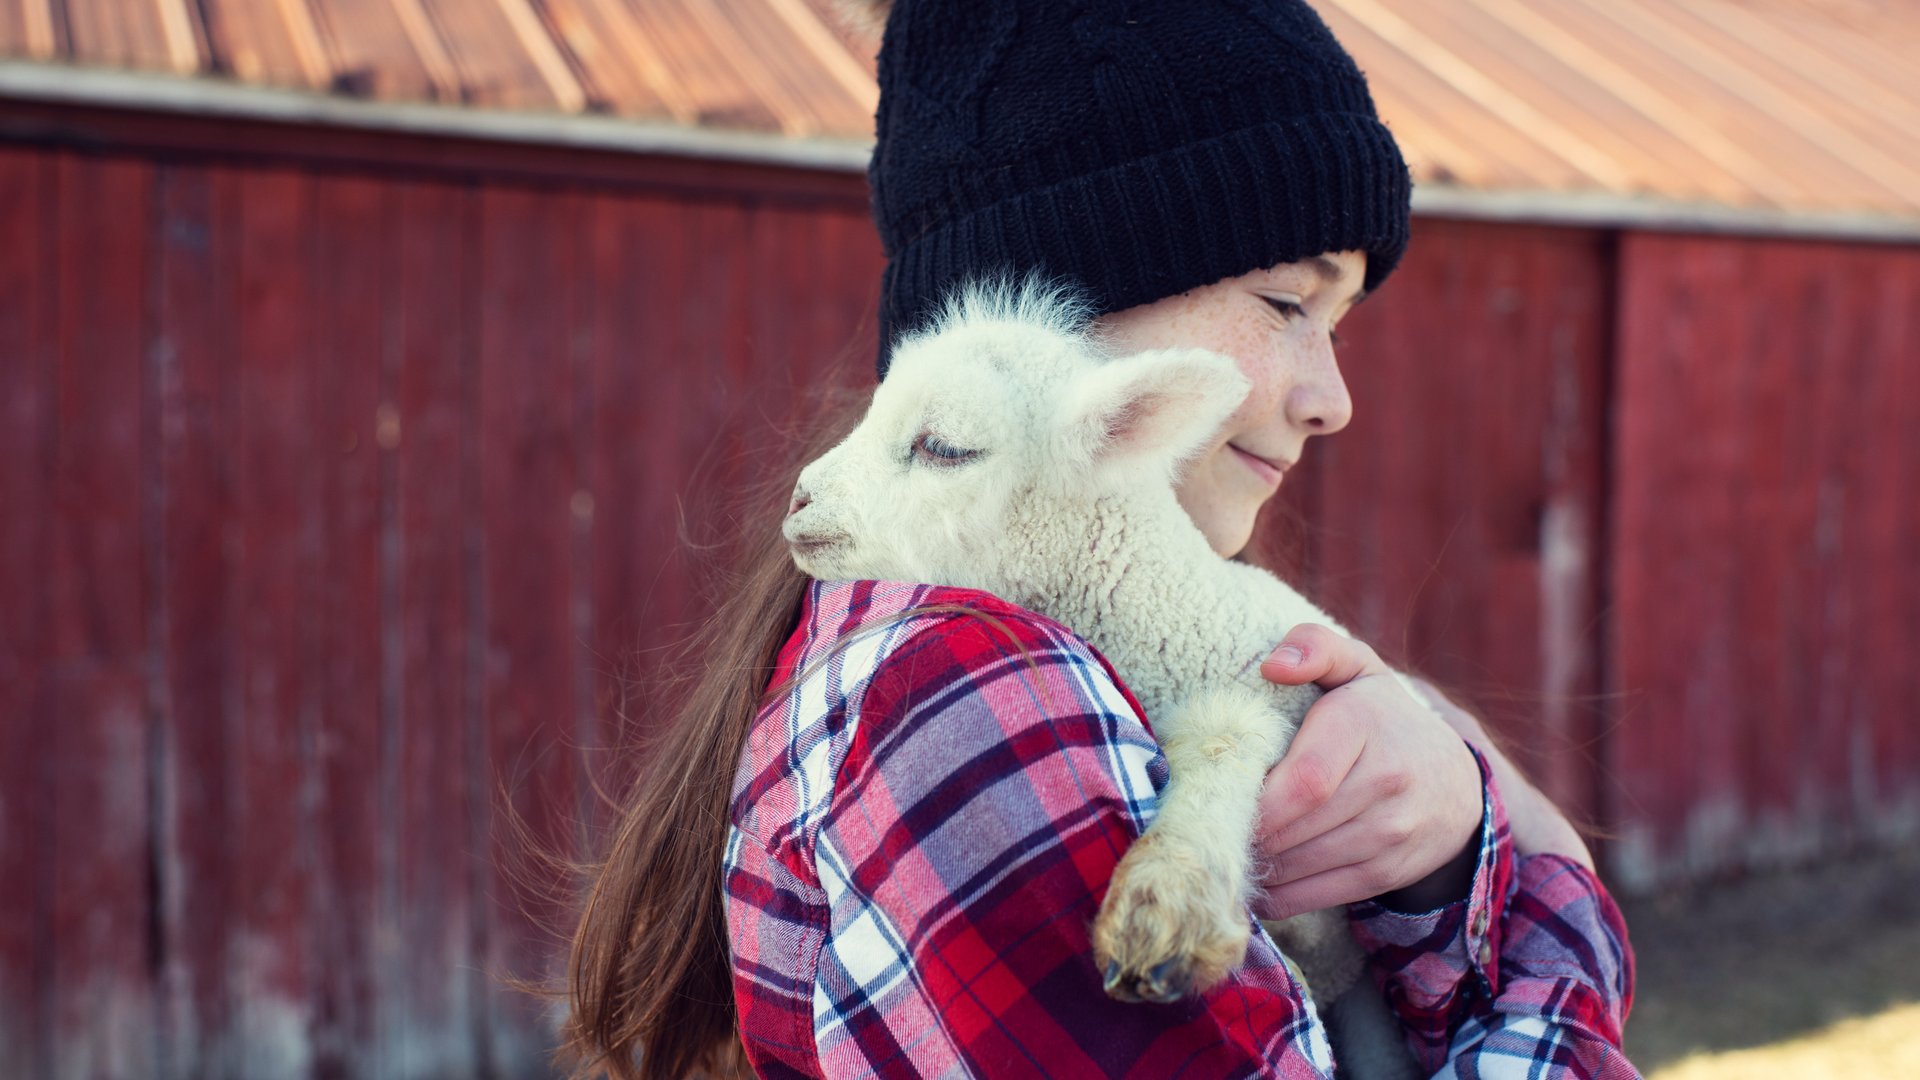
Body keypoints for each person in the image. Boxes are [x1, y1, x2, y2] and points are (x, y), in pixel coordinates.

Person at [559, 2, 1637, 1078]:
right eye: (1282, 301)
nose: (1333, 398)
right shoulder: (962, 697)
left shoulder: (1101, 655)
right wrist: (1544, 857)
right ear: (1054, 328)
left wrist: (1443, 833)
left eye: (1339, 323)